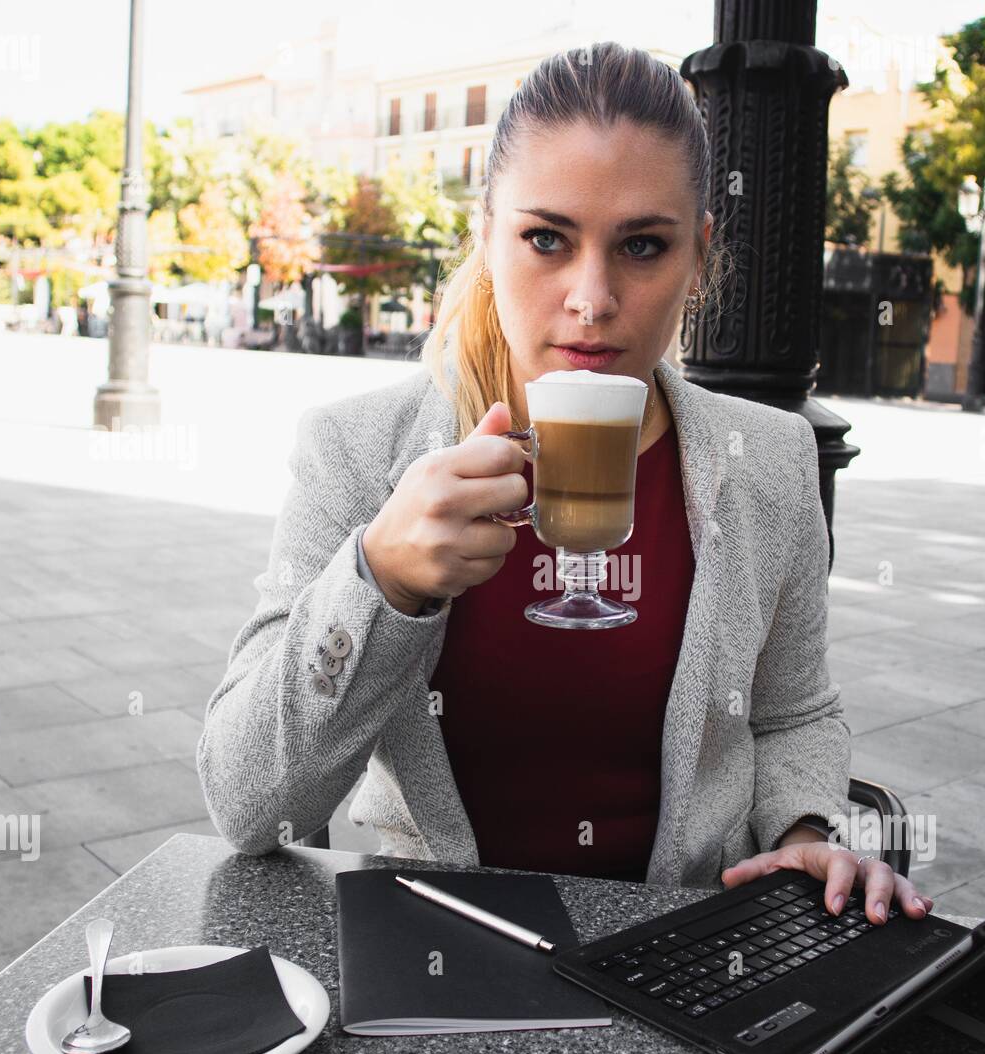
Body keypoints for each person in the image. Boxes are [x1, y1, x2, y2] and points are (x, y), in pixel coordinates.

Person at [196, 42, 934, 928]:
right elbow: (247, 806)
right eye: (547, 238)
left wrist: (809, 828)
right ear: (487, 234)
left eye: (644, 246)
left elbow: (794, 713)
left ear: (698, 256)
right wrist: (378, 575)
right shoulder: (360, 453)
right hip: (436, 945)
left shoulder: (769, 462)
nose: (592, 297)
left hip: (686, 946)